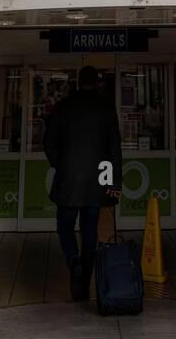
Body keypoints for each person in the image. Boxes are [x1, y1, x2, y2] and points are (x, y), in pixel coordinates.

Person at [44, 66, 122, 301]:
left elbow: (48, 142)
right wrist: (113, 182)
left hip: (68, 179)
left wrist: (61, 163)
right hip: (97, 181)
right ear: (97, 82)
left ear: (78, 82)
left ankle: (73, 261)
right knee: (90, 231)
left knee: (65, 226)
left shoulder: (63, 106)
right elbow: (114, 148)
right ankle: (85, 281)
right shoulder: (106, 108)